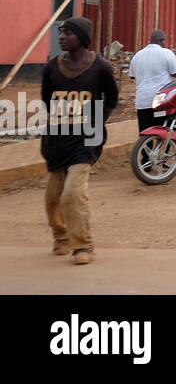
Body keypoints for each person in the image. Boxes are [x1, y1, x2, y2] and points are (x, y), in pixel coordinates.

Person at [41, 17, 119, 265]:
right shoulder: (52, 67)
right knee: (53, 197)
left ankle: (83, 245)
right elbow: (47, 100)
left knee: (73, 194)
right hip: (57, 139)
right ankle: (61, 236)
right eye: (61, 32)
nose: (62, 37)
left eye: (68, 33)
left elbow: (111, 99)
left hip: (86, 140)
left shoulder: (101, 68)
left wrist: (96, 121)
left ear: (83, 38)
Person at [128, 29, 176, 132]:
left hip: (142, 102)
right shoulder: (166, 53)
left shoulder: (137, 55)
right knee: (165, 132)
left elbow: (132, 76)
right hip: (161, 101)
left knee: (145, 133)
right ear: (163, 41)